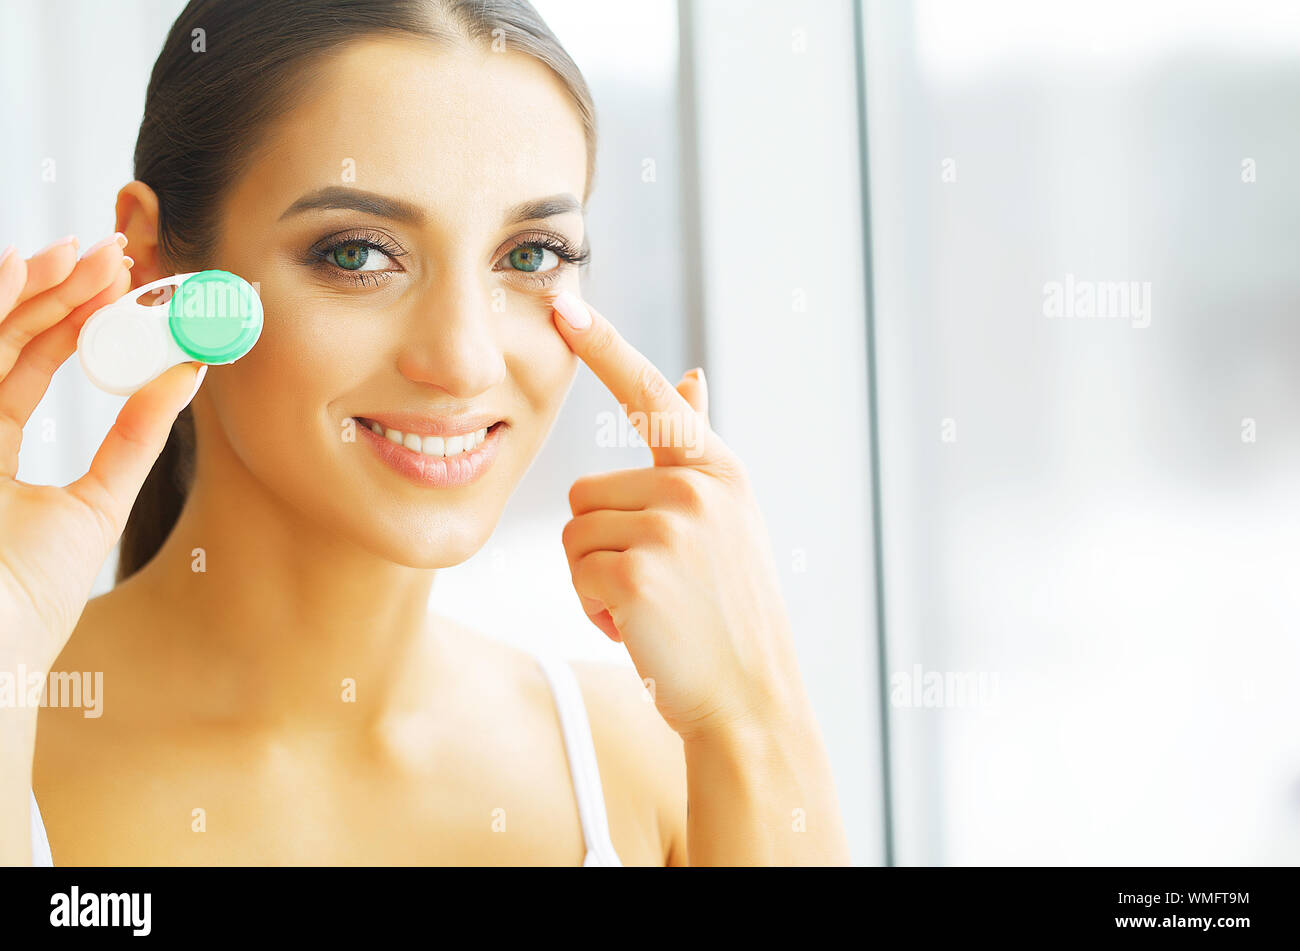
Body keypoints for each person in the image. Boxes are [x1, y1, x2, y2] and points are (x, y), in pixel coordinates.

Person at [0, 0, 849, 866]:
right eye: (358, 254)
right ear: (158, 258)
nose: (465, 360)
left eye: (529, 257)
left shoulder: (651, 763)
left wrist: (755, 707)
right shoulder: (17, 730)